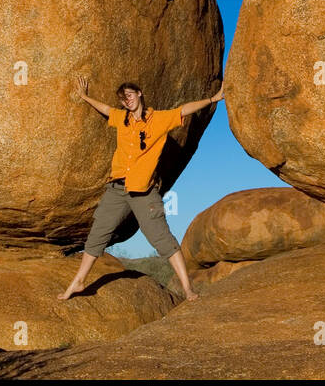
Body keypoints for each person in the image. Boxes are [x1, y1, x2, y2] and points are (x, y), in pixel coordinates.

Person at [58, 76, 224, 302]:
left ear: (139, 94)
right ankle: (78, 281)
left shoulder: (159, 120)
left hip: (143, 193)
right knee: (97, 235)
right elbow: (106, 109)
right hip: (117, 189)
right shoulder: (121, 118)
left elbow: (184, 109)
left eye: (129, 95)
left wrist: (214, 98)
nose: (127, 101)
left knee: (163, 240)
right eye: (123, 99)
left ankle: (188, 289)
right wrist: (85, 97)